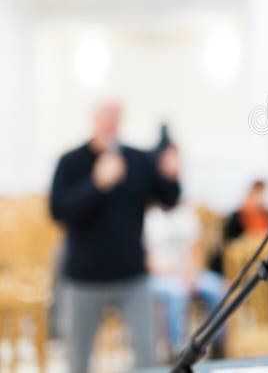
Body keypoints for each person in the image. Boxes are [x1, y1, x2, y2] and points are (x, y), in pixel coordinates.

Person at [50, 99, 180, 372]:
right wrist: (96, 185)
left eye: (115, 116)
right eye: (105, 116)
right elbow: (58, 210)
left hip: (132, 277)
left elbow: (169, 199)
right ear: (94, 119)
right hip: (84, 280)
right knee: (77, 358)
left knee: (147, 356)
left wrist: (172, 176)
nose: (110, 122)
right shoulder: (71, 161)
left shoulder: (137, 159)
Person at [145, 204, 225, 359]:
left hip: (191, 273)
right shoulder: (149, 218)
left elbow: (198, 250)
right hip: (162, 276)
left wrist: (191, 275)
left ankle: (218, 344)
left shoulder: (187, 215)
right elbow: (147, 261)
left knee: (218, 287)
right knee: (177, 294)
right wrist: (175, 276)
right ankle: (178, 350)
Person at [208, 179, 268, 274]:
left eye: (261, 193)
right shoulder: (236, 217)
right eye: (256, 193)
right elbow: (228, 245)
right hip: (239, 264)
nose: (259, 197)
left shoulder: (267, 215)